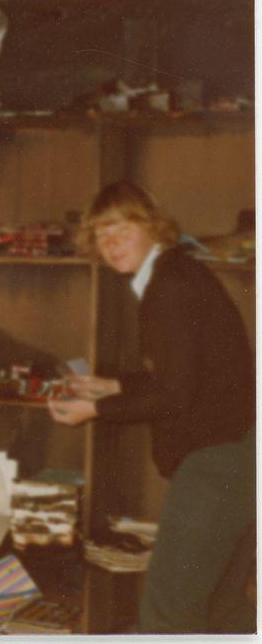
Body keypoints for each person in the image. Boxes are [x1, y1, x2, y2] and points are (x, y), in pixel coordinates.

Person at [48, 181, 254, 633]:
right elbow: (180, 374)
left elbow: (174, 396)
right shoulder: (173, 275)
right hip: (239, 454)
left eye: (120, 229)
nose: (109, 244)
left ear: (152, 227)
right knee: (221, 610)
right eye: (100, 235)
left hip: (218, 461)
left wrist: (94, 410)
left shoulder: (169, 286)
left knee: (167, 609)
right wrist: (112, 384)